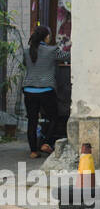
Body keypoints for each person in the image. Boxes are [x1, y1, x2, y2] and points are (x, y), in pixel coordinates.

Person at [22, 27, 67, 158]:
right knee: (54, 117)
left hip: (29, 90)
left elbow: (27, 65)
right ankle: (46, 143)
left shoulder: (27, 51)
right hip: (46, 90)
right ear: (46, 37)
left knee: (32, 120)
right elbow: (68, 57)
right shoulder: (52, 50)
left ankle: (33, 151)